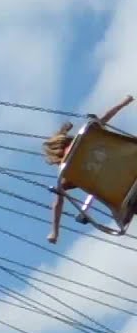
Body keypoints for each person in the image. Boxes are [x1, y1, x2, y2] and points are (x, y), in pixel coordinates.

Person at [44, 95, 135, 244]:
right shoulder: (88, 137)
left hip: (126, 197)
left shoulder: (69, 173)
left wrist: (55, 231)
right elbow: (106, 117)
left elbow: (58, 204)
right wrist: (123, 103)